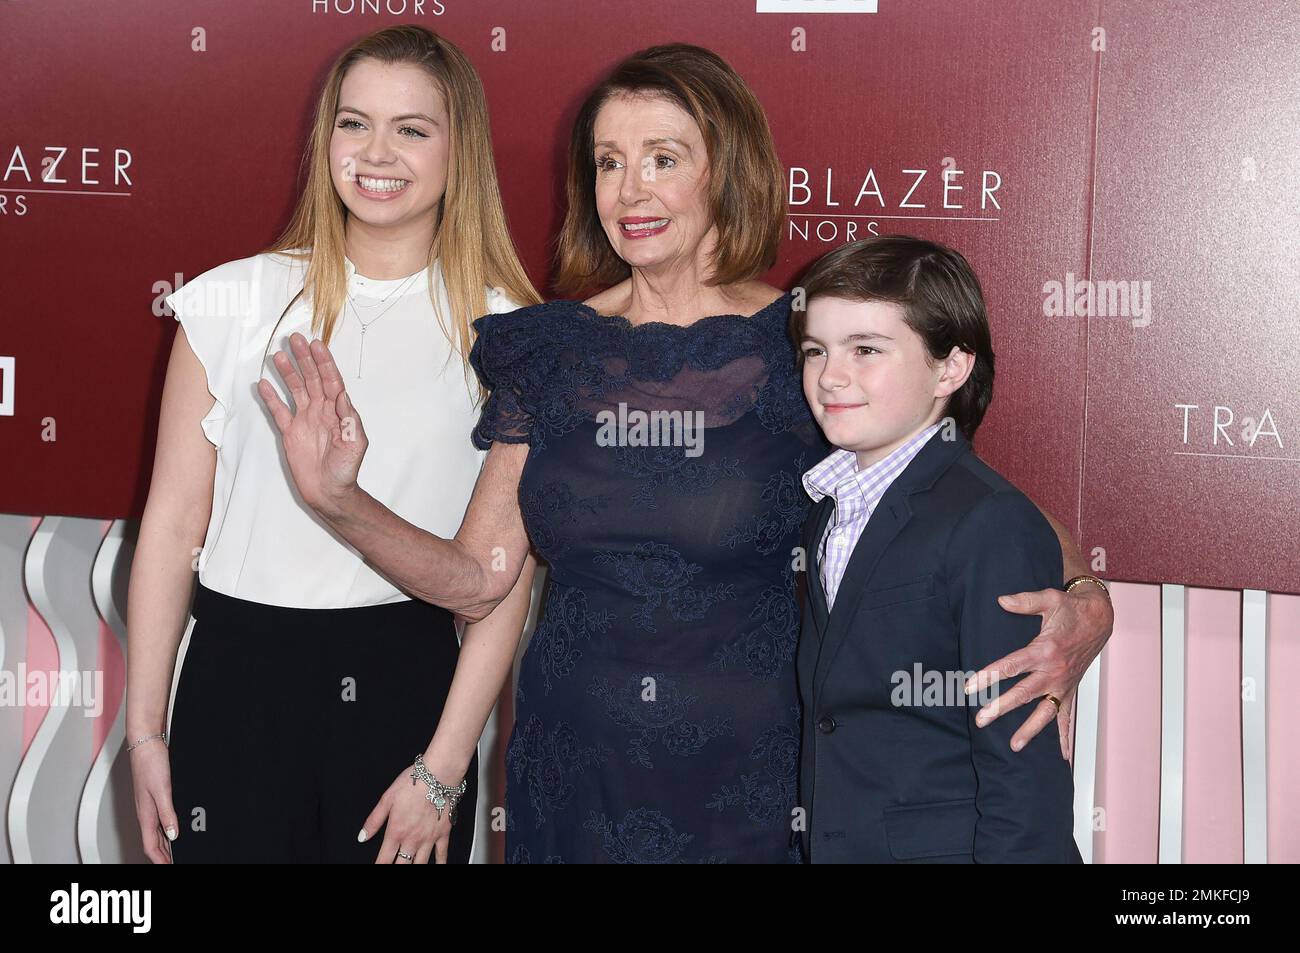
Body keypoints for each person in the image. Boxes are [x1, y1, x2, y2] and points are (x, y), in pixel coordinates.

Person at [260, 44, 1113, 863]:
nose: (630, 190)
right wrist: (342, 501)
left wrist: (1087, 605)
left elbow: (977, 505)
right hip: (570, 773)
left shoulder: (802, 349)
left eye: (663, 158)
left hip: (748, 786)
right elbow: (480, 577)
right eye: (607, 162)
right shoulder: (555, 353)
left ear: (726, 173)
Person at [126, 25, 540, 864]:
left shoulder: (511, 337)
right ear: (327, 139)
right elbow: (171, 529)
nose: (376, 152)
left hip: (407, 690)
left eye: (412, 129)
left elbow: (502, 586)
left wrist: (444, 769)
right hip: (233, 684)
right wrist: (143, 732)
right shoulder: (230, 304)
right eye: (355, 123)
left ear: (461, 152)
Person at [793, 235, 1089, 863]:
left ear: (951, 368)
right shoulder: (830, 507)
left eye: (866, 349)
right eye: (815, 350)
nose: (830, 375)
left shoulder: (991, 521)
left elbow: (1020, 767)